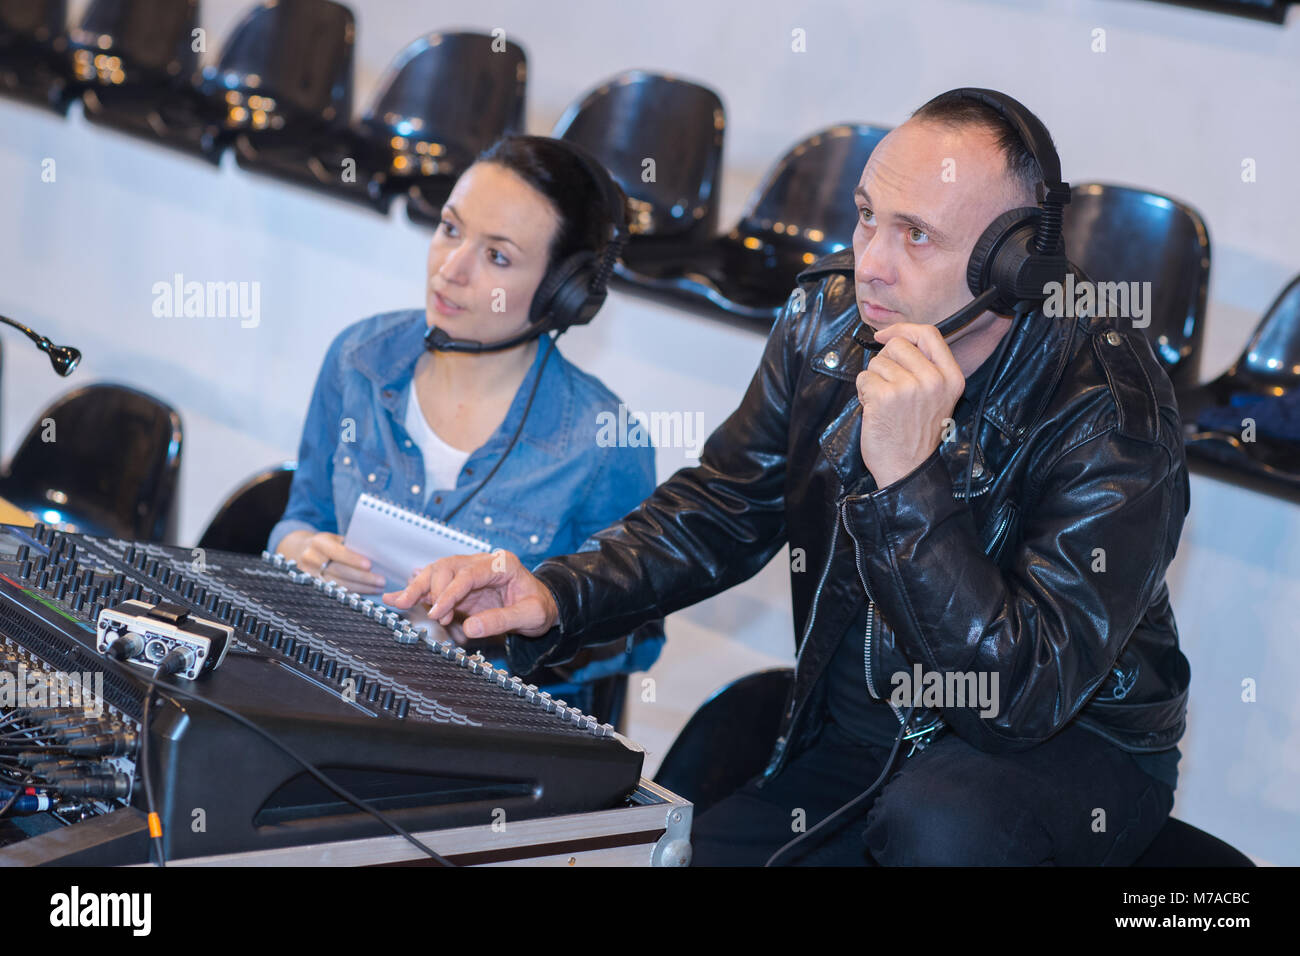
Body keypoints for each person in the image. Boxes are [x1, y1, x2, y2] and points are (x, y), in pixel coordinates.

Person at [385, 88, 1191, 866]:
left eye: (915, 236)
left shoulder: (1109, 410)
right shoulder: (829, 324)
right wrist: (560, 592)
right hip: (863, 732)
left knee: (939, 824)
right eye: (867, 215)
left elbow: (1020, 697)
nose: (868, 263)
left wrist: (909, 480)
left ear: (1012, 263)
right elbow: (723, 507)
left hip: (1067, 746)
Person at [268, 135, 664, 722]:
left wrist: (513, 632)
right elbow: (302, 517)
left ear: (561, 295)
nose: (450, 270)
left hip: (486, 731)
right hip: (336, 695)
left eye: (497, 257)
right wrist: (297, 550)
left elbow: (637, 636)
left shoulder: (603, 441)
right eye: (450, 229)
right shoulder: (357, 358)